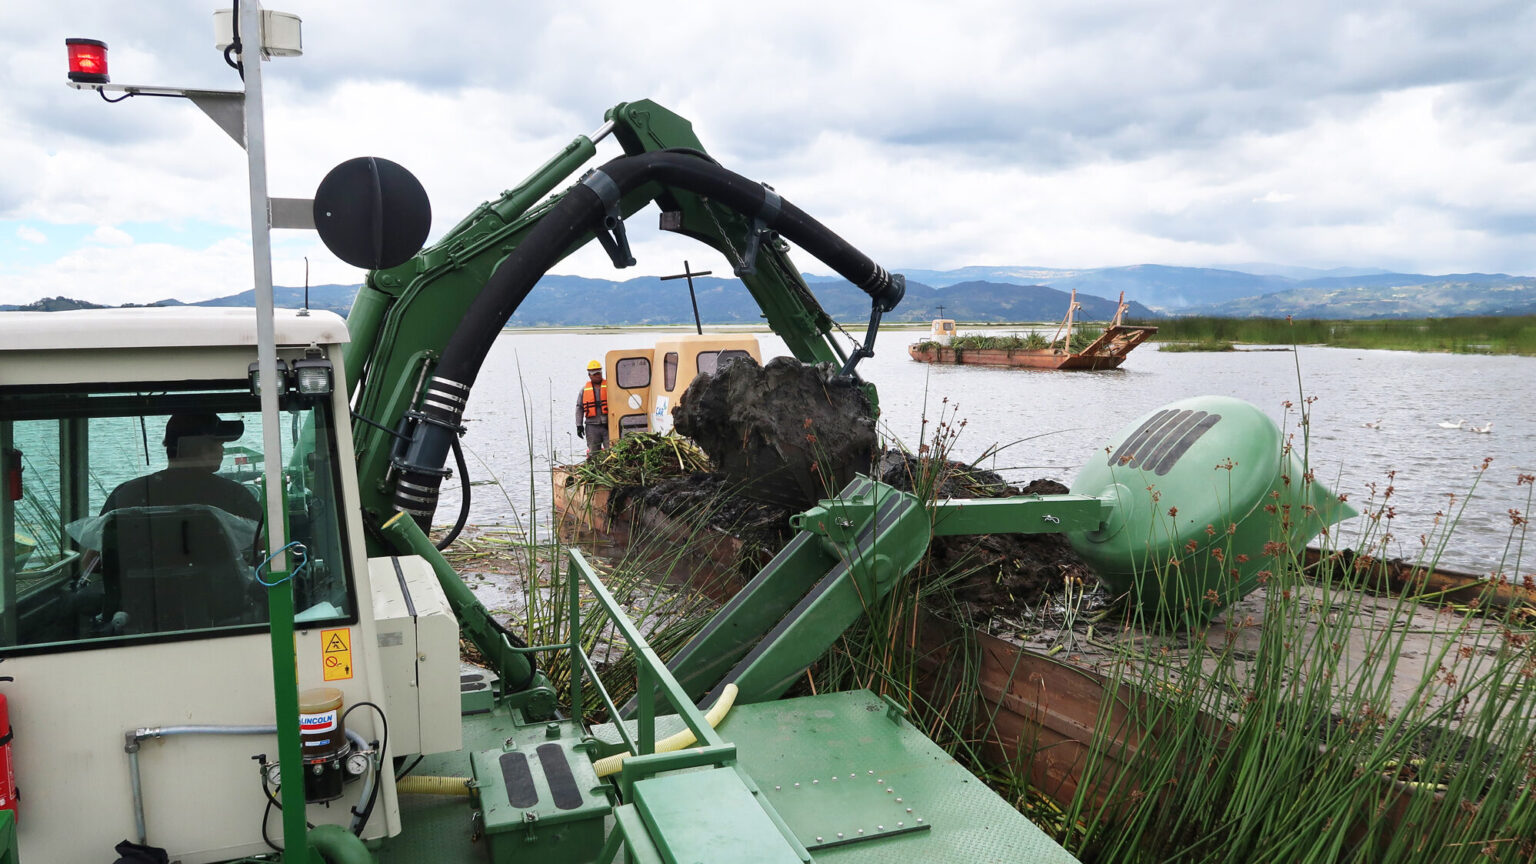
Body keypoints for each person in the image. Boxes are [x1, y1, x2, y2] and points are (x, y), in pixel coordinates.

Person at [101, 413, 261, 521]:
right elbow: (269, 549)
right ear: (204, 449)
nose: (223, 449)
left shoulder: (125, 494)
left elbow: (91, 561)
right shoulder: (233, 495)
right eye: (220, 443)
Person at [575, 359, 609, 454]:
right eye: (595, 374)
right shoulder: (584, 390)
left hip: (608, 425)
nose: (598, 376)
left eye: (599, 373)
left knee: (612, 452)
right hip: (592, 426)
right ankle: (596, 467)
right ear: (589, 375)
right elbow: (579, 408)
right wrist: (579, 425)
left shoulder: (610, 387)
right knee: (594, 453)